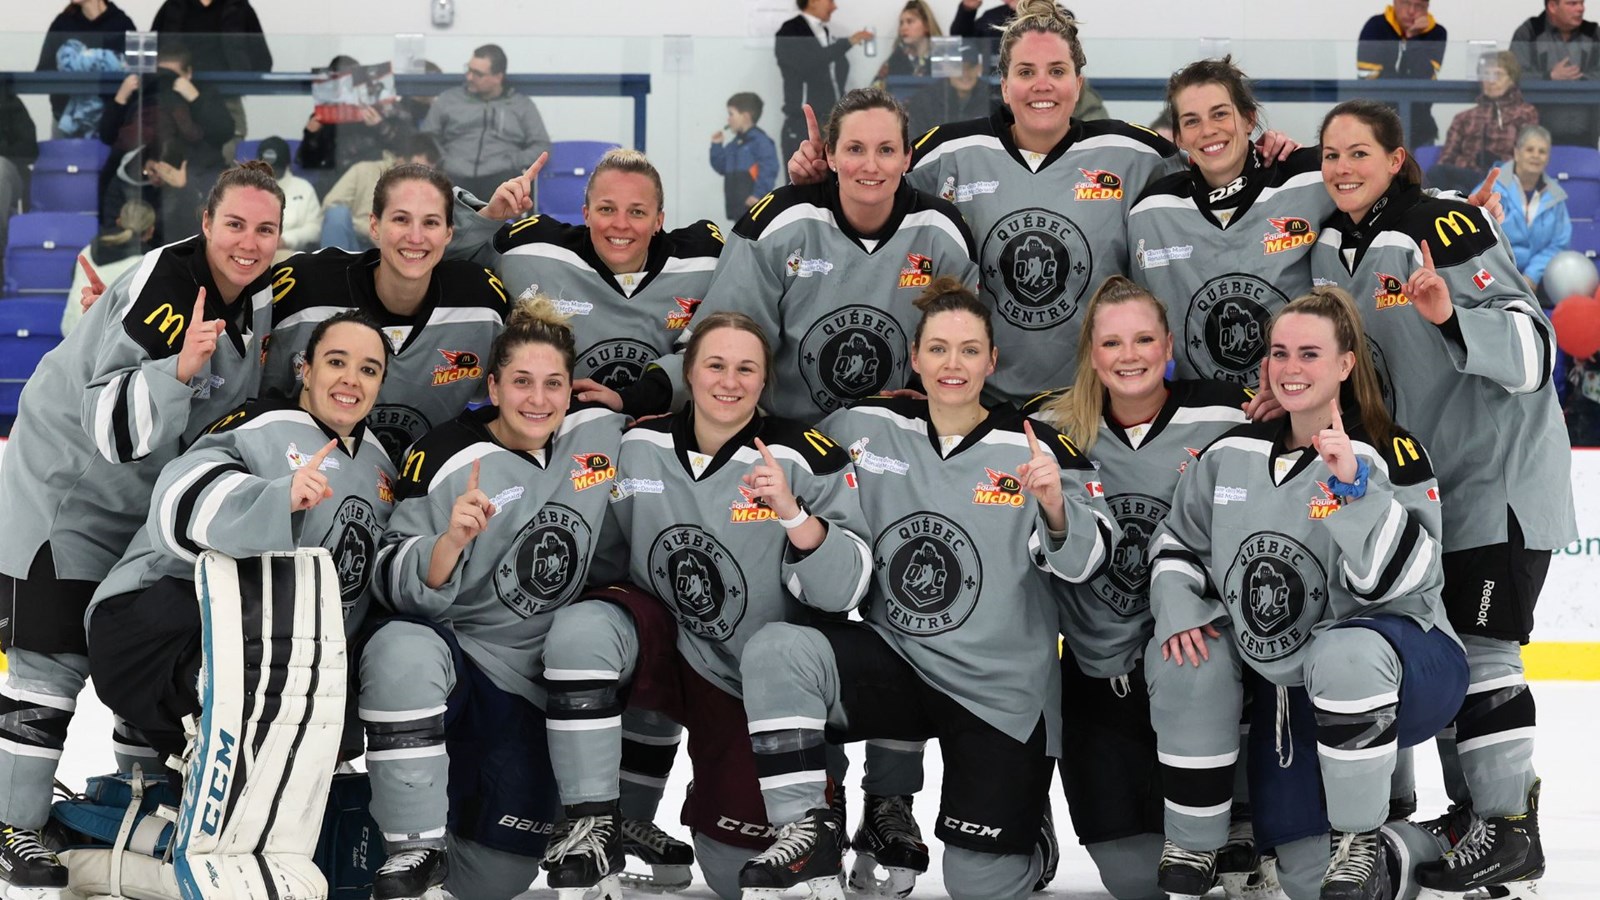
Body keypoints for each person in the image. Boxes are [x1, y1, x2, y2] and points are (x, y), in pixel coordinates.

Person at [736, 278, 1115, 900]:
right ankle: (806, 833)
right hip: (899, 663)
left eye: (970, 351)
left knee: (978, 884)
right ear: (914, 357)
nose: (953, 365)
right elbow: (791, 465)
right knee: (780, 649)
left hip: (1000, 693)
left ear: (993, 360)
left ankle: (1029, 830)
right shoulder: (862, 425)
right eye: (938, 349)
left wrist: (1053, 507)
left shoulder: (1038, 446)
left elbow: (1087, 564)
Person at [1310, 99, 1575, 899]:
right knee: (1452, 647)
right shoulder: (1331, 247)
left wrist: (1451, 313)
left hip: (1495, 482)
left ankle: (1508, 830)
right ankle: (1474, 817)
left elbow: (1534, 352)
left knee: (1486, 645)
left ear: (1398, 159)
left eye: (1362, 152)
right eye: (1330, 155)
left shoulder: (1445, 227)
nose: (1344, 167)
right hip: (1423, 491)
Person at [0, 162, 283, 897]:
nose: (249, 243)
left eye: (265, 228)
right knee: (50, 669)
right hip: (71, 496)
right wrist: (178, 371)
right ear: (206, 222)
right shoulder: (166, 288)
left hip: (143, 514)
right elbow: (111, 428)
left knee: (146, 657)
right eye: (235, 225)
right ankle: (11, 824)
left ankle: (129, 813)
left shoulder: (254, 295)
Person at [1146, 286, 1468, 900]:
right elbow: (1178, 541)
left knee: (1342, 651)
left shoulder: (1390, 453)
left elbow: (1403, 584)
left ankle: (1366, 841)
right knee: (1301, 880)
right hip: (1293, 693)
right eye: (1280, 353)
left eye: (1310, 354)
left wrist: (1352, 488)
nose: (1291, 368)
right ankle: (1206, 838)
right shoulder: (1231, 454)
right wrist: (1183, 608)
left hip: (1410, 665)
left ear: (1345, 365)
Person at [536, 312, 872, 900]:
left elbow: (845, 593)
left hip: (751, 680)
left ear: (765, 380)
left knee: (731, 875)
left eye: (747, 368)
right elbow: (604, 559)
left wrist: (795, 517)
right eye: (715, 364)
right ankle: (599, 822)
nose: (729, 380)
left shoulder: (803, 454)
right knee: (584, 627)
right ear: (688, 372)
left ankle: (812, 816)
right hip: (666, 650)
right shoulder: (636, 442)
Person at [358, 296, 627, 900]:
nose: (538, 399)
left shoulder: (599, 432)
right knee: (400, 647)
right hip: (459, 665)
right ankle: (411, 848)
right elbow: (389, 574)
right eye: (522, 383)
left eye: (553, 384)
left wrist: (636, 402)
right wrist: (449, 541)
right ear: (494, 386)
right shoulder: (448, 455)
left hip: (536, 686)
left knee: (492, 882)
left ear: (573, 387)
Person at [789, 0, 1185, 403]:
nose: (1042, 85)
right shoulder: (948, 152)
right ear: (1004, 84)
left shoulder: (1135, 153)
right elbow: (870, 185)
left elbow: (1211, 181)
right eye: (1026, 72)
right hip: (978, 404)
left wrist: (1253, 158)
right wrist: (821, 179)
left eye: (1057, 71)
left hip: (1091, 403)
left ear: (1079, 84)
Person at [1023, 276, 1251, 900]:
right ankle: (1030, 824)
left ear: (1169, 343)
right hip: (1099, 678)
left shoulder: (1227, 415)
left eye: (1145, 338)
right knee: (1133, 881)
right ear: (1091, 354)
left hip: (1199, 661)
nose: (1130, 355)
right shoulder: (1049, 426)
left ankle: (1226, 823)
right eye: (1113, 342)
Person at [85, 309, 395, 764]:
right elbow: (176, 501)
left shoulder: (382, 466)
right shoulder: (259, 424)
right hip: (157, 627)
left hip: (279, 661)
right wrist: (275, 498)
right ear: (304, 370)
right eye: (335, 362)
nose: (351, 379)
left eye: (369, 370)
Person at [697, 87, 979, 422]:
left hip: (895, 435)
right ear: (830, 155)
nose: (870, 165)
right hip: (787, 436)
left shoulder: (941, 233)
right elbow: (724, 344)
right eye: (854, 149)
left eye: (886, 150)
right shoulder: (780, 226)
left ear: (907, 157)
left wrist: (928, 395)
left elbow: (962, 346)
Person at [262, 163, 509, 463]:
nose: (415, 237)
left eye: (430, 223)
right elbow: (260, 398)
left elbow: (512, 390)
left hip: (426, 490)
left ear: (448, 233)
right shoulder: (305, 289)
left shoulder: (481, 300)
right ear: (375, 226)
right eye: (401, 219)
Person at [452, 148, 724, 418]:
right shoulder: (534, 249)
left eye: (637, 212)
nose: (620, 224)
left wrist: (635, 399)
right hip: (550, 434)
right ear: (586, 213)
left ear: (658, 221)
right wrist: (487, 218)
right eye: (606, 209)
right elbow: (436, 262)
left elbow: (717, 355)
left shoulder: (703, 261)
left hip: (658, 435)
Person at [1128, 56, 1329, 391]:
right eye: (1191, 121)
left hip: (1297, 406)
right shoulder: (1151, 212)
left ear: (1249, 119)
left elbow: (1386, 172)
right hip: (1201, 416)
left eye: (1220, 114)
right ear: (1178, 137)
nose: (1208, 130)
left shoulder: (1309, 179)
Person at [97, 43, 236, 242]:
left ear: (188, 73)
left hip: (192, 182)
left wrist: (195, 97)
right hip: (142, 190)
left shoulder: (203, 94)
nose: (164, 80)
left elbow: (224, 131)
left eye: (172, 75)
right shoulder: (139, 93)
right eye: (159, 72)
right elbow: (107, 135)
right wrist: (121, 96)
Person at [421, 43, 551, 202]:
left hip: (501, 178)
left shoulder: (521, 105)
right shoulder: (448, 100)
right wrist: (443, 160)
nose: (469, 77)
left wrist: (512, 162)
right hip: (453, 177)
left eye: (478, 74)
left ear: (498, 77)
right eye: (468, 69)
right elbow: (427, 138)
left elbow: (541, 145)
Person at [148, 0, 272, 157]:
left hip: (225, 101)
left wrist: (240, 74)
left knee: (224, 166)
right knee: (171, 163)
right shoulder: (173, 6)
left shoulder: (239, 7)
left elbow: (262, 60)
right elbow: (150, 56)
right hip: (175, 101)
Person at [775, 0, 875, 165]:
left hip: (831, 121)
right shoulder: (790, 30)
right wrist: (847, 43)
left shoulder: (825, 32)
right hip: (803, 122)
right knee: (803, 182)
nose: (834, 7)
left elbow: (833, 73)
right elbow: (809, 63)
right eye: (830, 1)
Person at [1429, 51, 1540, 196]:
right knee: (1442, 177)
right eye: (1486, 75)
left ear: (1511, 79)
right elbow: (1446, 159)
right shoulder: (1464, 118)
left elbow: (1528, 157)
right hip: (1466, 176)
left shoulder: (1525, 114)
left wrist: (1497, 162)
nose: (1491, 81)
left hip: (1503, 179)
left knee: (1457, 191)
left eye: (1498, 75)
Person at [319, 133, 441, 252]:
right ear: (401, 159)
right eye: (418, 167)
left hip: (392, 249)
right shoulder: (363, 170)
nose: (422, 175)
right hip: (353, 239)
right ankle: (333, 268)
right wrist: (371, 230)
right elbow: (331, 204)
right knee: (337, 214)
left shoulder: (427, 191)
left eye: (428, 171)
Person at [1493, 125, 1573, 299]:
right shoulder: (1491, 188)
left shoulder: (1556, 196)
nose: (1536, 156)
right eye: (1530, 149)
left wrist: (1531, 276)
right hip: (1498, 278)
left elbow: (1559, 243)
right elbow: (1482, 238)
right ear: (1517, 153)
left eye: (1542, 151)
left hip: (1540, 281)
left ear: (1548, 158)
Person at [36, 0, 137, 138]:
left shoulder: (122, 24)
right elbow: (44, 71)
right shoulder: (62, 23)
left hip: (109, 124)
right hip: (65, 122)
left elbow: (136, 75)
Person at [1356, 0, 1447, 146]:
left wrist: (1413, 38)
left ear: (1427, 8)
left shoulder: (1437, 33)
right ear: (1395, 3)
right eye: (1406, 3)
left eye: (1419, 6)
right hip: (1375, 123)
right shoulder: (1375, 26)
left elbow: (1424, 77)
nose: (1411, 11)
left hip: (1420, 127)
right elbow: (1368, 78)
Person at [1511, 0, 1600, 148]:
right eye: (1572, 3)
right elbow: (1514, 77)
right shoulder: (1530, 32)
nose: (1581, 9)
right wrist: (1549, 77)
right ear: (1552, 6)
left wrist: (1581, 79)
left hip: (1586, 137)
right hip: (1536, 141)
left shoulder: (1593, 33)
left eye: (1582, 3)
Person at [61, 199, 157, 335]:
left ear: (118, 221)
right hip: (107, 343)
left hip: (71, 331)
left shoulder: (87, 250)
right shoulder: (145, 264)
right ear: (151, 230)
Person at [709, 91, 779, 220]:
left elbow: (769, 169)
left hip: (754, 207)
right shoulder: (735, 144)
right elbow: (722, 166)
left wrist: (758, 195)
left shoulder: (761, 142)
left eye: (731, 114)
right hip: (737, 208)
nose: (728, 119)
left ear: (746, 116)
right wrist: (716, 146)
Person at [904, 41, 994, 135]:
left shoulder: (993, 97)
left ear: (979, 68)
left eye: (970, 66)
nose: (965, 73)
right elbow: (916, 143)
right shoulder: (924, 101)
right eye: (958, 67)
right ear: (947, 69)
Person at [257, 135, 322, 254]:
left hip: (288, 252)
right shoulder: (246, 189)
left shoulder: (303, 188)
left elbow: (315, 229)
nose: (271, 174)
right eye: (266, 169)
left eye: (276, 169)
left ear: (288, 165)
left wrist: (286, 240)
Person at [872, 0, 941, 89]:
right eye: (901, 23)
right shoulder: (897, 55)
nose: (903, 28)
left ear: (926, 25)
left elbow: (954, 92)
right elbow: (875, 90)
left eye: (910, 21)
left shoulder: (942, 53)